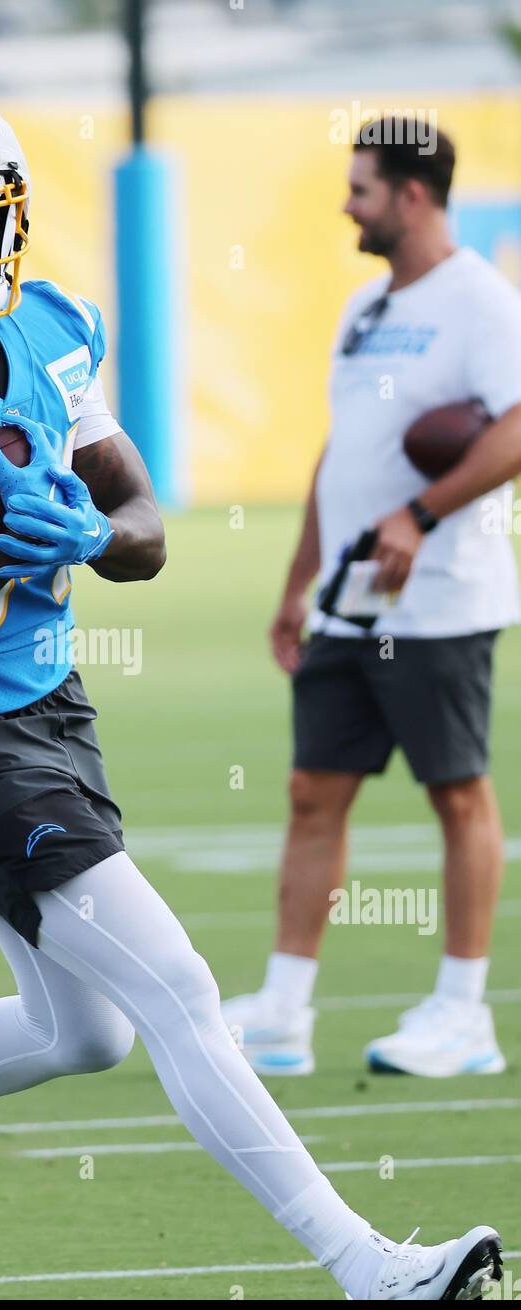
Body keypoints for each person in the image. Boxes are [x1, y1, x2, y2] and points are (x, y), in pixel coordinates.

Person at [0, 72, 501, 1299]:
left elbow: (144, 528)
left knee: (83, 1031)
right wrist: (0, 547)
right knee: (176, 989)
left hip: (51, 711)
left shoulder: (50, 331)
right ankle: (371, 1269)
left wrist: (91, 538)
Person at [222, 117, 521, 1079]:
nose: (347, 204)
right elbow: (339, 450)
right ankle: (283, 1010)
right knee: (315, 793)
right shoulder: (364, 308)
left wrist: (421, 516)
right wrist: (296, 582)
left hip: (439, 596)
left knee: (458, 792)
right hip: (351, 601)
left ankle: (463, 1013)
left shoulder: (482, 301)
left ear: (415, 195)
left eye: (361, 189)